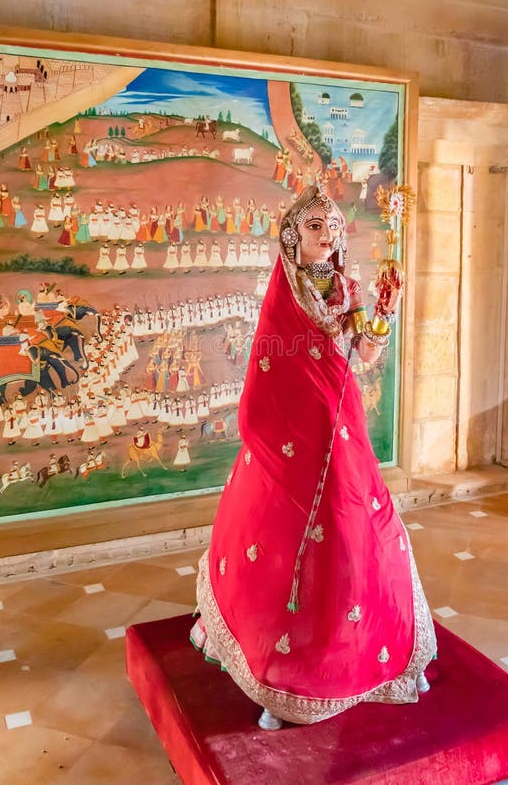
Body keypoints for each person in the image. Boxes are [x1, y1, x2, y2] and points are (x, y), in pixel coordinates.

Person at [191, 184, 436, 729]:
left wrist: (382, 317)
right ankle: (275, 659)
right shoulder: (287, 292)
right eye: (314, 228)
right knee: (282, 538)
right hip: (293, 434)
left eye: (332, 228)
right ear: (292, 236)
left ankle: (359, 648)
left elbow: (365, 355)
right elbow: (270, 365)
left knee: (355, 528)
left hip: (341, 426)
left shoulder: (346, 288)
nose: (327, 237)